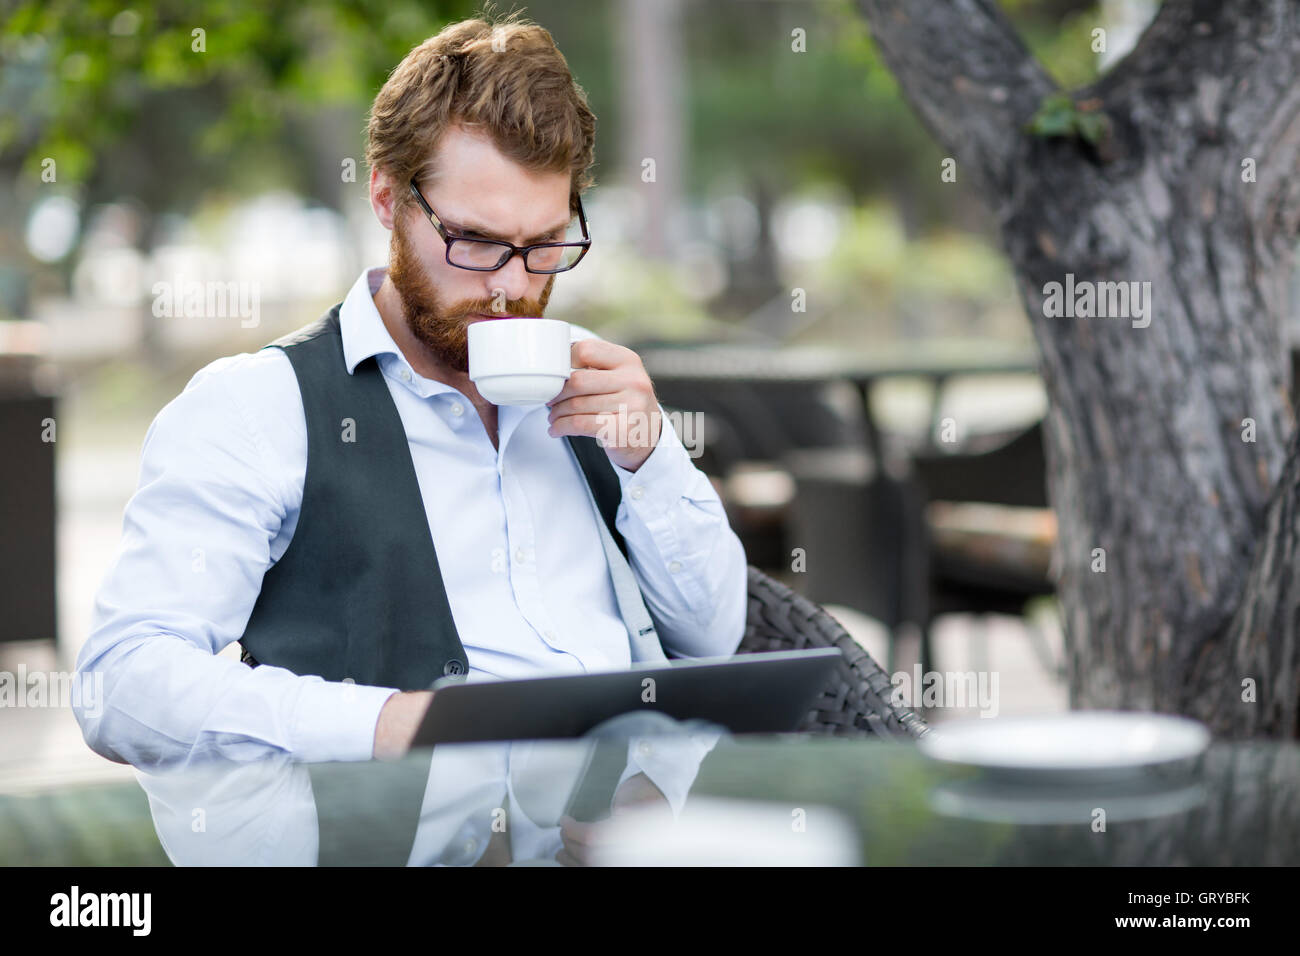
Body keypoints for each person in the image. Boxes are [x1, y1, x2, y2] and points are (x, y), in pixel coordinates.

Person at [72, 13, 748, 865]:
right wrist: (383, 724)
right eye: (476, 242)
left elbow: (714, 637)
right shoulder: (259, 407)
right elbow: (122, 682)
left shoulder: (596, 388)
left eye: (544, 245)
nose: (511, 288)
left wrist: (650, 461)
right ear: (388, 199)